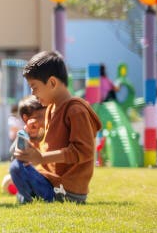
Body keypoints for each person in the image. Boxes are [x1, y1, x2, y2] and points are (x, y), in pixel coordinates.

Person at [11, 51, 101, 204]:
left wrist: (41, 158)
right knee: (18, 164)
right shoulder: (51, 108)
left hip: (67, 190)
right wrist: (34, 136)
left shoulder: (76, 111)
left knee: (17, 168)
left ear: (52, 83)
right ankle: (30, 197)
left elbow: (83, 151)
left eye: (34, 87)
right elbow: (50, 143)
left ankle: (32, 198)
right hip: (50, 180)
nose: (32, 93)